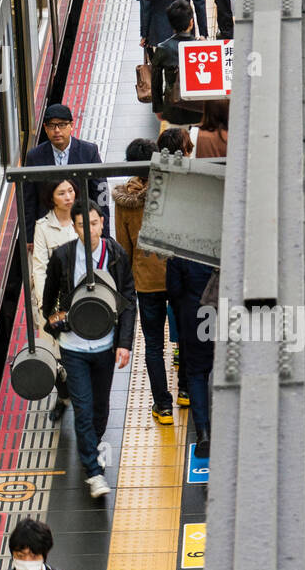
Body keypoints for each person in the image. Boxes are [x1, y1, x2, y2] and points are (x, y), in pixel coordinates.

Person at [42, 200, 135, 497]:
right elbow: (50, 295)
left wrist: (124, 343)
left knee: (100, 408)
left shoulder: (116, 255)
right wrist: (54, 318)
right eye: (82, 225)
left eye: (94, 223)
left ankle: (91, 447)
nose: (89, 230)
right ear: (75, 226)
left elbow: (128, 299)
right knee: (83, 408)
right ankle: (93, 471)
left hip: (106, 345)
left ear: (102, 223)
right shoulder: (63, 256)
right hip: (74, 346)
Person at [114, 138, 178, 423]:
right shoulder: (173, 189)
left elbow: (123, 246)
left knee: (153, 344)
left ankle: (163, 406)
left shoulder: (125, 202)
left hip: (145, 281)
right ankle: (187, 389)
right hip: (178, 275)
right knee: (186, 334)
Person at [23, 104, 108, 244]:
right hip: (49, 230)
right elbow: (29, 200)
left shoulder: (89, 152)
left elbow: (101, 194)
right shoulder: (35, 156)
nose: (57, 130)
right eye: (51, 126)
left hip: (81, 226)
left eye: (62, 125)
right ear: (45, 128)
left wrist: (104, 235)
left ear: (71, 125)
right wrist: (29, 237)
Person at [32, 178, 77, 424]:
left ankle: (82, 398)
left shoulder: (82, 221)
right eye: (62, 193)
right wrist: (45, 305)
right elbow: (39, 268)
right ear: (52, 198)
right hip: (53, 303)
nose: (68, 197)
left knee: (78, 352)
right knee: (56, 355)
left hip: (79, 301)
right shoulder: (43, 227)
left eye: (71, 191)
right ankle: (63, 398)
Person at [168, 259, 217, 458]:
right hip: (226, 312)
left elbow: (173, 290)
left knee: (197, 373)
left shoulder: (181, 246)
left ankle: (203, 433)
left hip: (195, 313)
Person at [150, 0, 200, 127]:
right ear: (191, 22)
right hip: (198, 109)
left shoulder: (163, 48)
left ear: (171, 24)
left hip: (173, 110)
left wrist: (158, 108)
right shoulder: (201, 48)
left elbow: (156, 81)